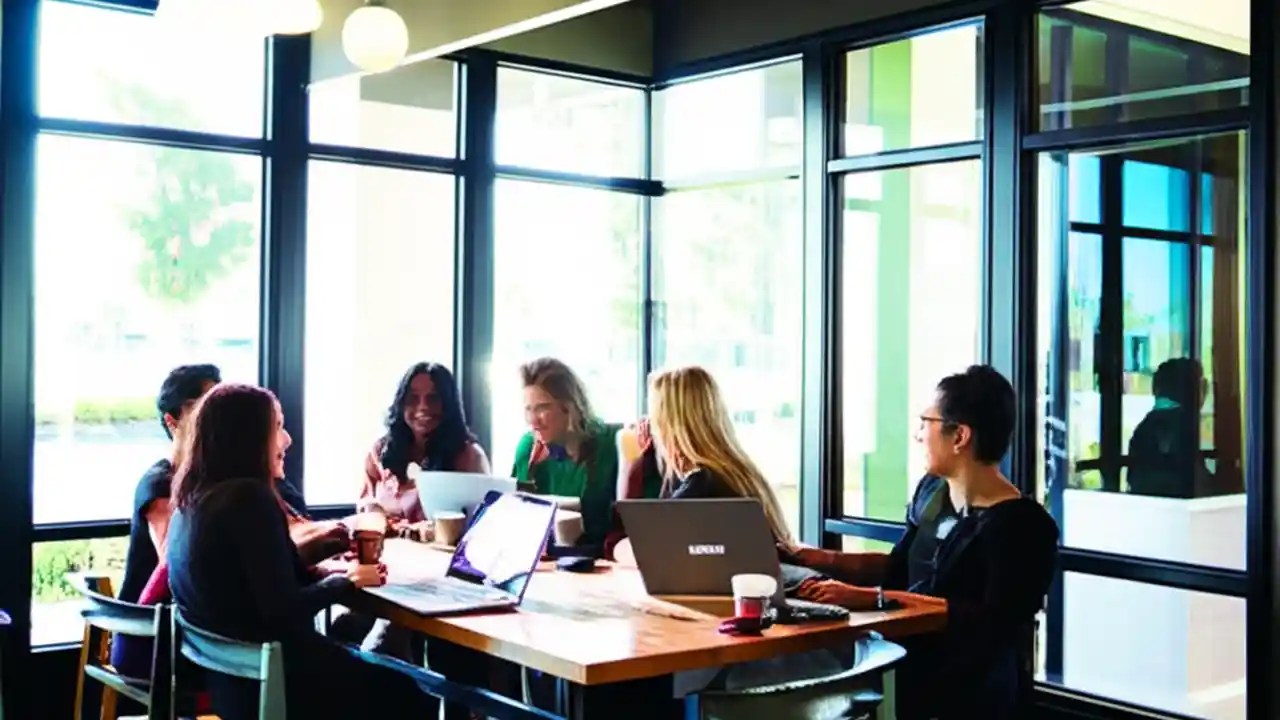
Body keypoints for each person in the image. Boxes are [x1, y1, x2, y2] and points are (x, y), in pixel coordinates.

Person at [782, 365, 1060, 719]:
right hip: (906, 669)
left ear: (959, 436)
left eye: (924, 423)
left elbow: (990, 621)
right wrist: (813, 558)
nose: (917, 436)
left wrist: (877, 600)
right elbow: (900, 565)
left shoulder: (1024, 526)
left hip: (970, 696)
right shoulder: (931, 493)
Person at [166, 383, 439, 719]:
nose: (287, 439)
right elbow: (282, 610)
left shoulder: (189, 504)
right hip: (280, 685)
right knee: (410, 691)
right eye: (277, 426)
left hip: (232, 688)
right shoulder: (249, 499)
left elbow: (255, 584)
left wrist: (327, 571)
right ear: (247, 436)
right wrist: (347, 581)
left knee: (372, 660)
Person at [362, 362, 491, 534]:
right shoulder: (380, 451)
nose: (423, 407)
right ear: (401, 404)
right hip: (384, 553)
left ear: (448, 405)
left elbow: (483, 523)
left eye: (433, 398)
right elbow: (365, 503)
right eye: (413, 398)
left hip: (443, 556)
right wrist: (373, 512)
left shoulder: (469, 456)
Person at [510, 358, 619, 550]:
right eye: (528, 409)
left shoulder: (611, 443)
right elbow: (518, 518)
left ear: (569, 407)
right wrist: (530, 474)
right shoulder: (528, 447)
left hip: (602, 560)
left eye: (542, 408)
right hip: (549, 562)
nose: (532, 420)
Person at [1127, 358, 1218, 498]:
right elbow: (1197, 483)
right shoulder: (1181, 425)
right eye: (1201, 385)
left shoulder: (1145, 427)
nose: (1205, 391)